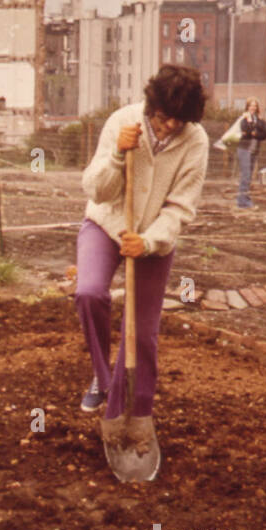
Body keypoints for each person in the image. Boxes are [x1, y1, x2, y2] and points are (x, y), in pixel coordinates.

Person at [76, 64, 208, 431]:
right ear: (152, 106)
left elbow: (182, 207)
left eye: (178, 122)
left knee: (143, 332)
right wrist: (119, 154)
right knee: (88, 293)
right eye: (164, 118)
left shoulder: (195, 141)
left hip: (152, 240)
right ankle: (102, 378)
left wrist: (148, 242)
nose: (168, 127)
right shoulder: (123, 120)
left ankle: (131, 415)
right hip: (106, 224)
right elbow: (97, 191)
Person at [234, 98, 266, 210]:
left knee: (249, 176)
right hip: (244, 149)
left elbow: (264, 134)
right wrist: (251, 127)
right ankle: (243, 201)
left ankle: (244, 199)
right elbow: (246, 130)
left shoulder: (260, 120)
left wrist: (254, 132)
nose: (253, 108)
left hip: (254, 151)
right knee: (246, 175)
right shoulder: (244, 119)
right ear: (247, 107)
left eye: (255, 106)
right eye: (250, 105)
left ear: (257, 108)